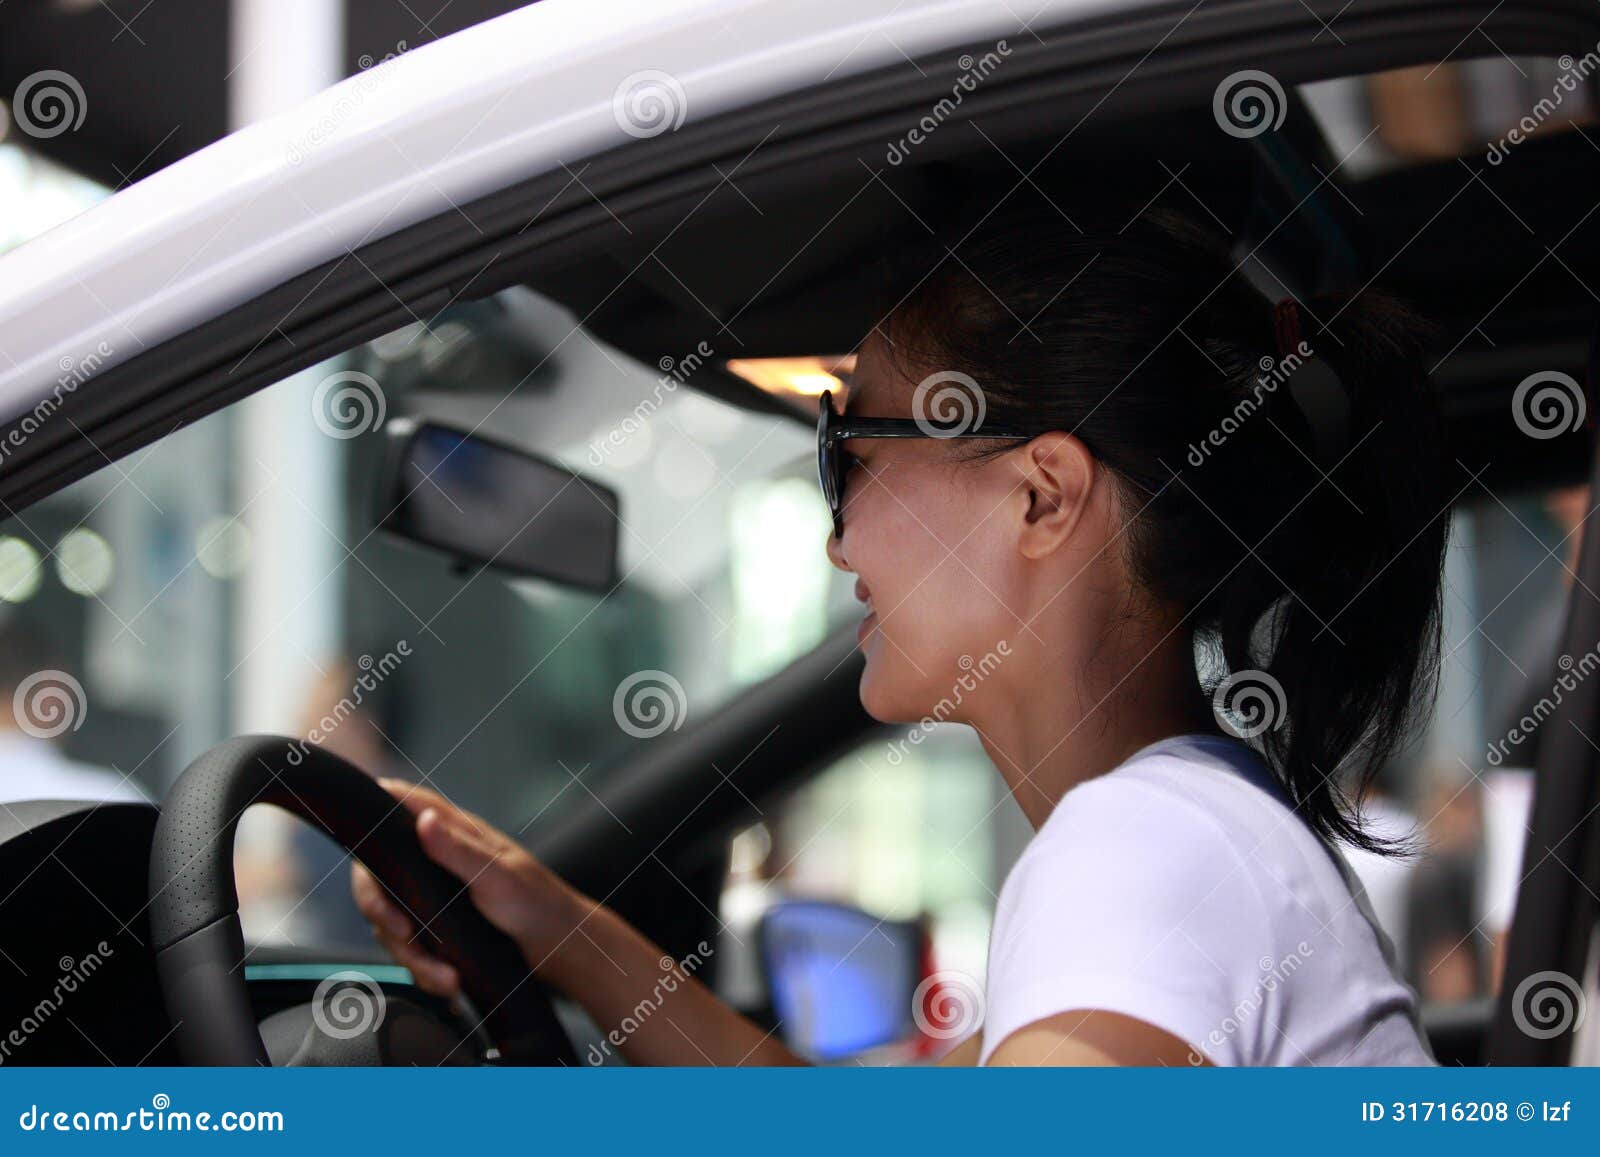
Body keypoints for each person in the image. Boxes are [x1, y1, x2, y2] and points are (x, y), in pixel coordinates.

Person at [353, 197, 1448, 1066]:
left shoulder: (1140, 849)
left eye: (852, 452)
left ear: (1041, 496)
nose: (839, 541)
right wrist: (549, 920)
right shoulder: (1176, 828)